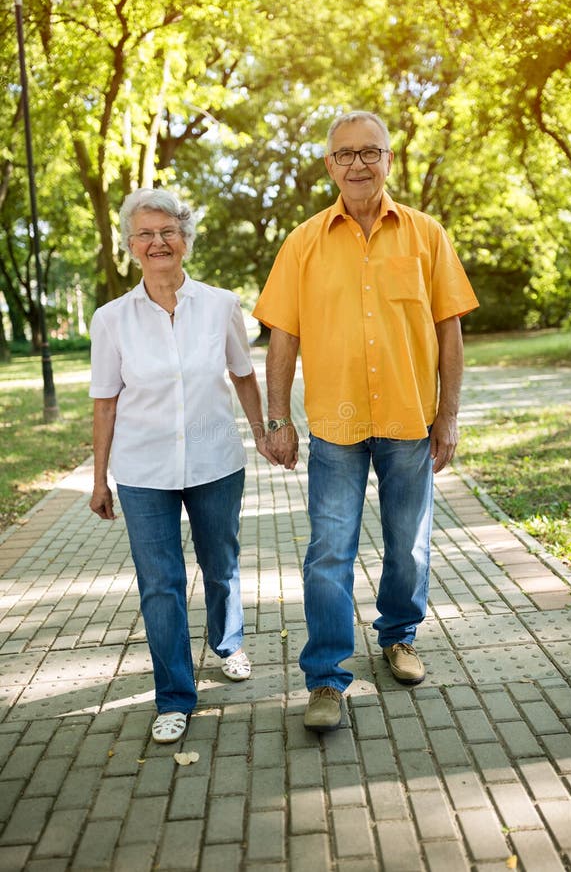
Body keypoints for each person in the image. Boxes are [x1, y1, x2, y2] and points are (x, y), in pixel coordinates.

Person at [253, 111, 478, 733]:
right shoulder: (302, 242)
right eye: (345, 154)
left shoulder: (426, 235)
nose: (357, 163)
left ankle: (399, 638)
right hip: (335, 425)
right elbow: (282, 336)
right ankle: (326, 677)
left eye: (369, 152)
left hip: (410, 419)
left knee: (408, 544)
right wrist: (277, 418)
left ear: (387, 159)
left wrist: (449, 415)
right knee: (329, 552)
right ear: (329, 165)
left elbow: (448, 331)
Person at [89, 187, 276, 744]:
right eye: (145, 234)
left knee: (221, 561)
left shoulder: (220, 305)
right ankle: (174, 695)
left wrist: (265, 433)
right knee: (160, 584)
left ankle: (228, 643)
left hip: (215, 459)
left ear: (186, 241)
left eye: (167, 231)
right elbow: (105, 401)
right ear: (130, 246)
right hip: (144, 470)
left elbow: (243, 374)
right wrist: (98, 478)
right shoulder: (111, 319)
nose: (157, 242)